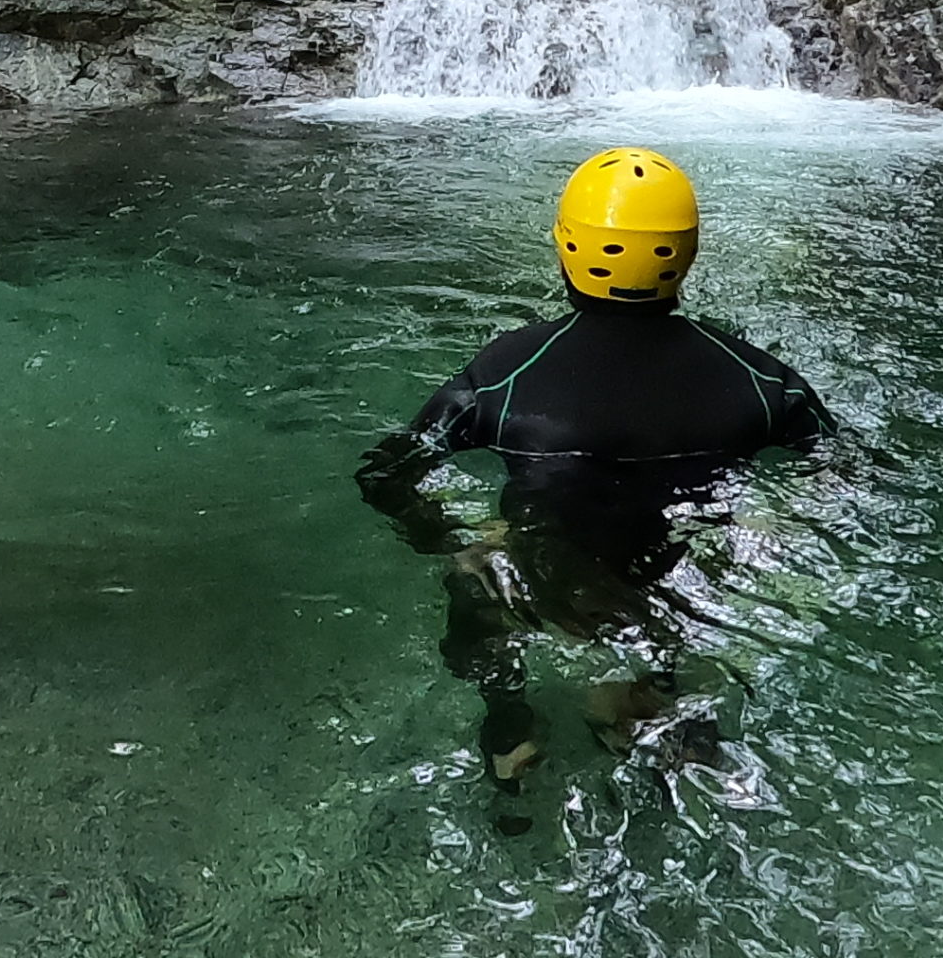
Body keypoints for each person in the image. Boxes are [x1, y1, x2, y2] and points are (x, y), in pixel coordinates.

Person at [356, 147, 833, 803]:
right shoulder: (756, 378)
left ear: (567, 249)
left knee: (475, 573)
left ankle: (508, 720)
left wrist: (448, 533)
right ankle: (665, 710)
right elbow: (851, 469)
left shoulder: (510, 370)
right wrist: (782, 518)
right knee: (694, 583)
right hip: (680, 587)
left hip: (545, 583)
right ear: (685, 255)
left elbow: (387, 475)